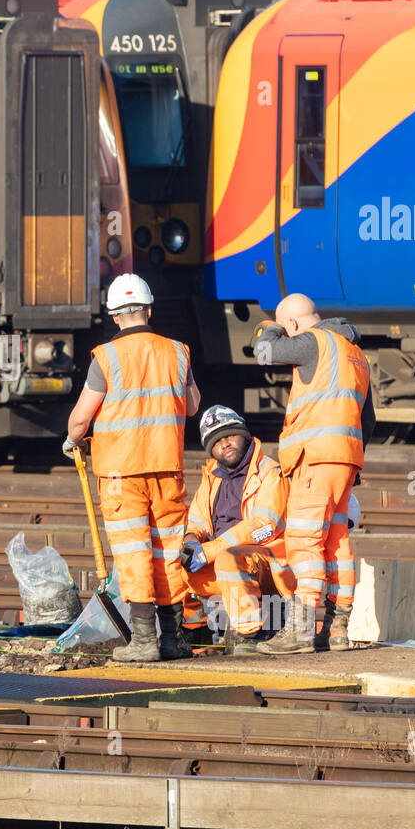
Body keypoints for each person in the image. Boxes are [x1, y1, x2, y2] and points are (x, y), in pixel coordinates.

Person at [64, 273, 202, 662]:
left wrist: (72, 441)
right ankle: (174, 640)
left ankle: (143, 642)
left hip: (123, 476)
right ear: (148, 310)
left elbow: (80, 420)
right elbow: (192, 406)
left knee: (135, 554)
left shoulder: (105, 357)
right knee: (168, 553)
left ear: (114, 316)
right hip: (167, 471)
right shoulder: (177, 352)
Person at [251, 293, 375, 654]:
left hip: (315, 460)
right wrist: (349, 459)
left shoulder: (312, 342)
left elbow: (264, 352)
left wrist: (271, 327)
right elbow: (369, 421)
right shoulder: (357, 356)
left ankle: (300, 632)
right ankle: (337, 630)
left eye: (286, 328)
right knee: (336, 542)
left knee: (304, 540)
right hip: (344, 462)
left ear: (292, 325)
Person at [179, 405, 292, 655]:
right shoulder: (212, 477)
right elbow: (197, 521)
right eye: (216, 441)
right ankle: (195, 628)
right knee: (175, 561)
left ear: (244, 433)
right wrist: (190, 542)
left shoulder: (269, 472)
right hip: (225, 564)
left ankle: (248, 635)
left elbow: (266, 526)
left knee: (229, 559)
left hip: (271, 565)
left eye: (229, 434)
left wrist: (212, 550)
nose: (225, 444)